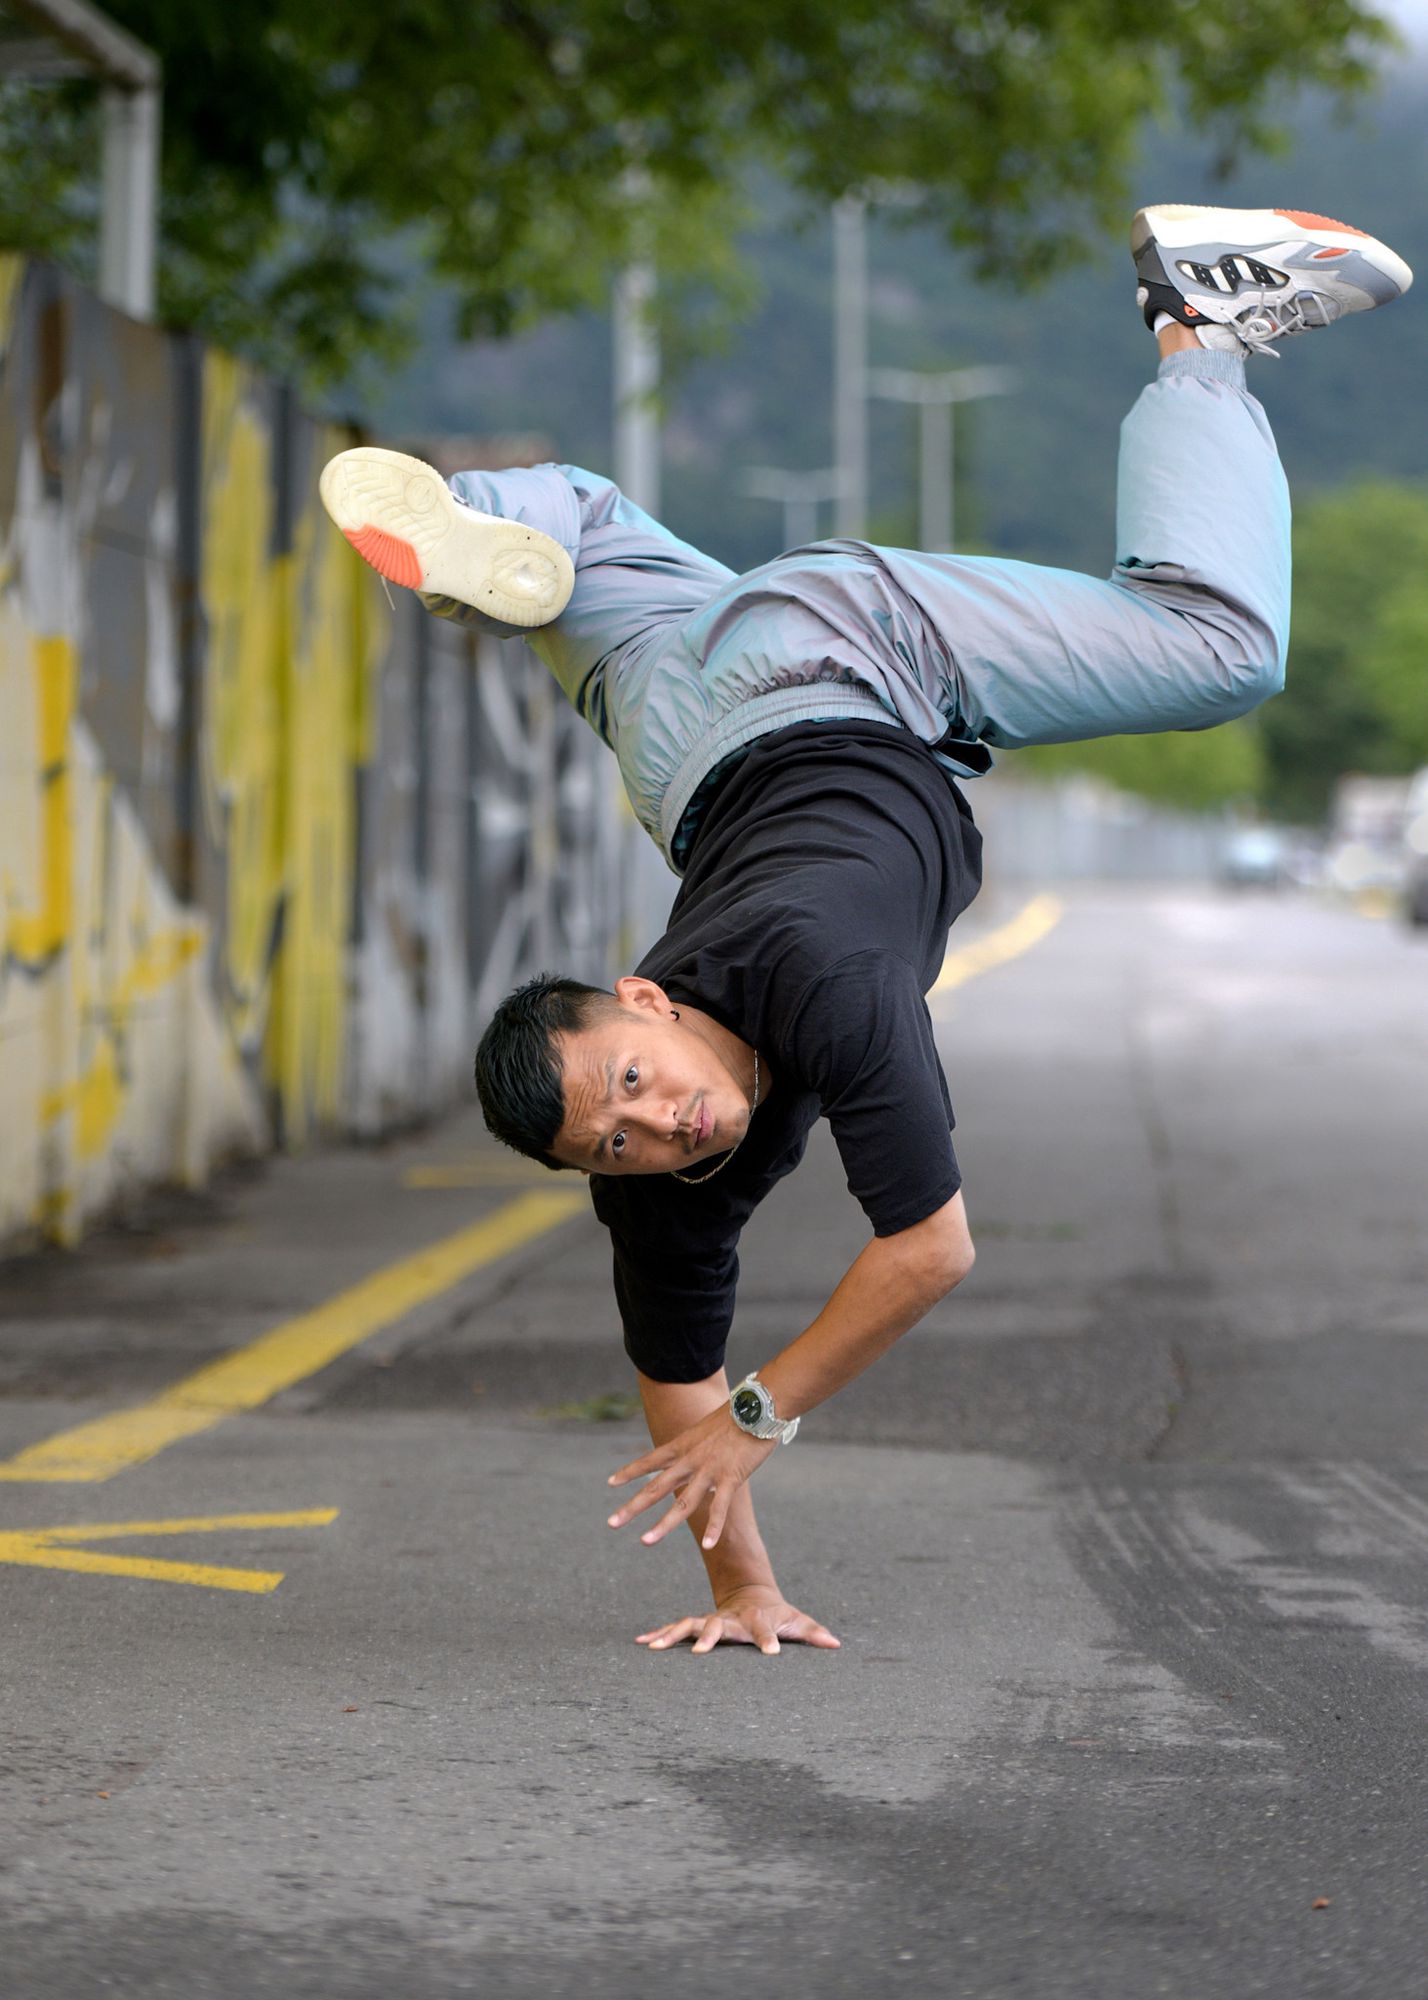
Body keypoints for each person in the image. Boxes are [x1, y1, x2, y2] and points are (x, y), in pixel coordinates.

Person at [320, 206, 1410, 1657]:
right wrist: (743, 1591)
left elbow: (929, 1250)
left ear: (642, 1000)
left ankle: (1198, 324)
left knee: (1221, 648)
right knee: (574, 543)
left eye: (634, 1086)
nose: (660, 1130)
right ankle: (514, 529)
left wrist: (768, 1420)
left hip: (855, 657)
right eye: (617, 1145)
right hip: (672, 711)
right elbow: (678, 1390)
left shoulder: (830, 987)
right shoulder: (658, 1180)